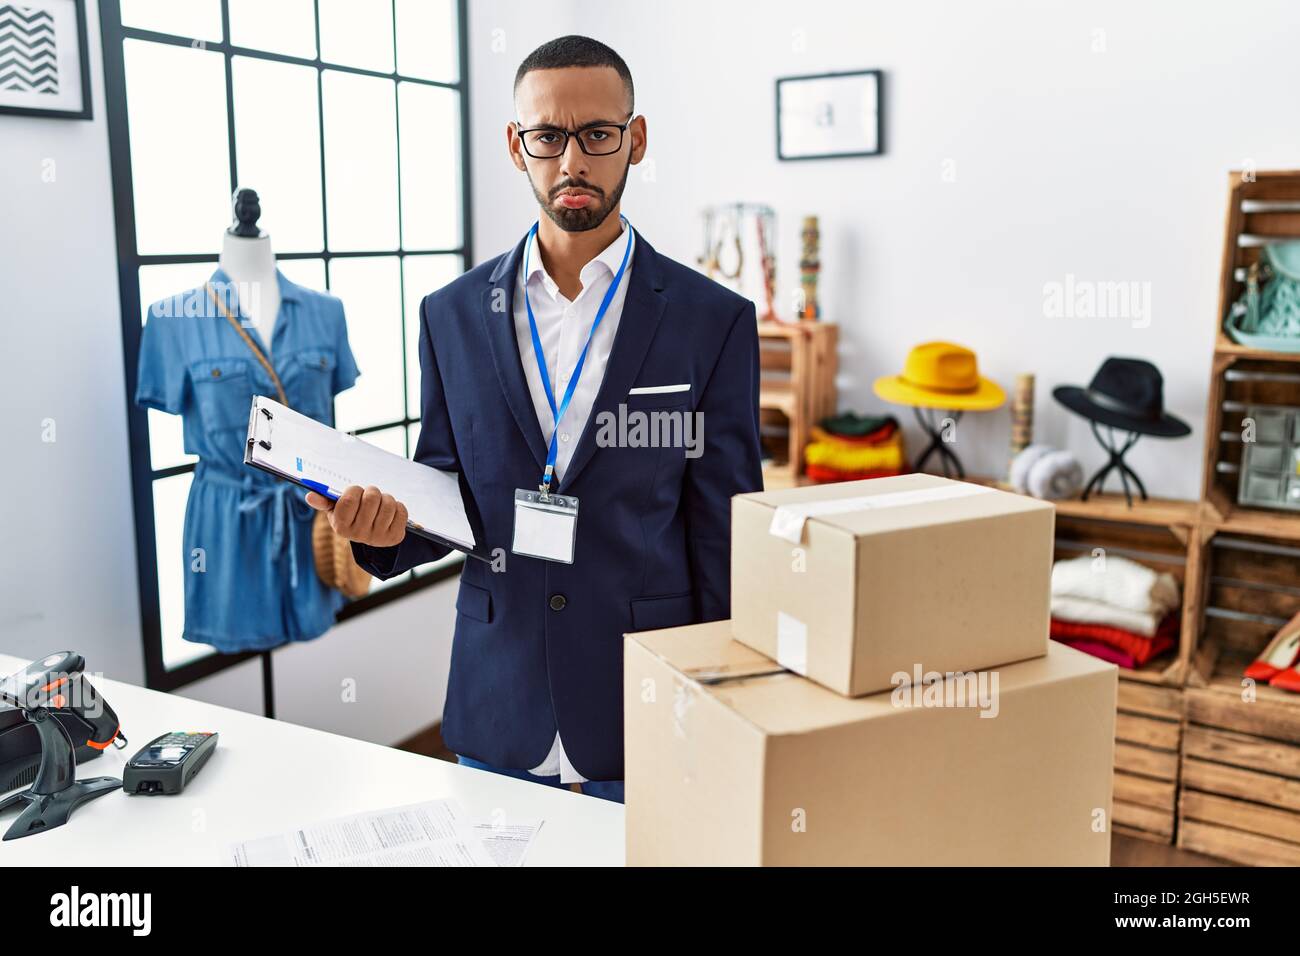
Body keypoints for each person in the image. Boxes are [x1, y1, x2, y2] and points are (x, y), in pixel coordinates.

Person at [306, 35, 762, 803]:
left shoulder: (711, 321)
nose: (572, 162)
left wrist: (728, 701)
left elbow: (722, 524)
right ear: (518, 146)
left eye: (597, 135)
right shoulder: (449, 315)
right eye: (548, 137)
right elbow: (449, 481)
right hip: (499, 694)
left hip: (646, 696)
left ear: (635, 140)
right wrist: (386, 533)